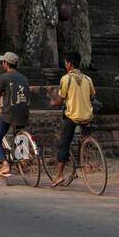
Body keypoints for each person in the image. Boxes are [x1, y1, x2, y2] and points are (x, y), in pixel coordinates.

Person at [49, 49, 96, 187]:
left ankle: (59, 175)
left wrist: (53, 102)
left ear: (69, 64)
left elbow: (60, 99)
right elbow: (92, 94)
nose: (65, 65)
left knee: (64, 144)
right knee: (85, 139)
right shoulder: (88, 79)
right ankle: (86, 161)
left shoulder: (66, 79)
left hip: (73, 116)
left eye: (65, 63)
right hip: (87, 116)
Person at [0, 51, 30, 176]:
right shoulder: (24, 78)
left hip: (9, 112)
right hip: (24, 111)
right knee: (19, 134)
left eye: (3, 62)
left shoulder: (3, 77)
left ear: (6, 64)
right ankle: (22, 159)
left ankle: (5, 165)